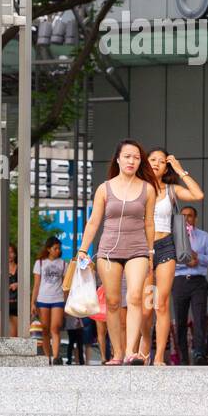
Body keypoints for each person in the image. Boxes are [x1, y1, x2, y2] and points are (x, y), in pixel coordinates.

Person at [77, 138, 157, 365]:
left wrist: (150, 252)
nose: (132, 161)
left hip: (138, 249)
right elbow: (93, 222)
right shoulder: (105, 188)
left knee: (134, 297)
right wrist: (83, 250)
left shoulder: (147, 188)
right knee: (112, 302)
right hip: (108, 250)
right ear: (118, 159)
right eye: (127, 156)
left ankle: (131, 351)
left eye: (136, 157)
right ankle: (117, 353)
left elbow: (149, 223)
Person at [145, 148, 205, 365]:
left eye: (162, 161)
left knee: (161, 304)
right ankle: (143, 352)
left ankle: (159, 356)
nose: (157, 163)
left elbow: (198, 195)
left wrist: (180, 170)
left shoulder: (171, 189)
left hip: (166, 246)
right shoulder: (138, 188)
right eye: (152, 159)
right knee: (144, 305)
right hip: (142, 248)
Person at [174, 204, 208, 365]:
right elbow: (170, 262)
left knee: (199, 318)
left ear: (195, 218)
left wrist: (198, 258)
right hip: (179, 281)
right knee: (180, 321)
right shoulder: (174, 237)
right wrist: (188, 262)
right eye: (183, 216)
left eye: (190, 215)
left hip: (198, 282)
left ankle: (199, 353)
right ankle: (183, 356)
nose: (187, 219)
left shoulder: (204, 236)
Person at [32, 237, 67, 364]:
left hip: (58, 298)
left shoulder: (63, 264)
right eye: (55, 248)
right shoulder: (40, 263)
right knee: (45, 329)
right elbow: (36, 284)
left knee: (55, 328)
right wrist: (33, 302)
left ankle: (56, 357)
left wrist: (66, 301)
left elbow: (65, 285)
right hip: (43, 299)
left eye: (59, 248)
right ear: (48, 249)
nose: (58, 251)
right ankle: (47, 357)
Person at [8, 244, 20, 337]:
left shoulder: (20, 268)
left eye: (11, 252)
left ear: (15, 254)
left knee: (15, 333)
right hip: (4, 303)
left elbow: (26, 283)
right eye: (7, 252)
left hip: (17, 302)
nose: (9, 254)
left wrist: (17, 284)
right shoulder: (0, 268)